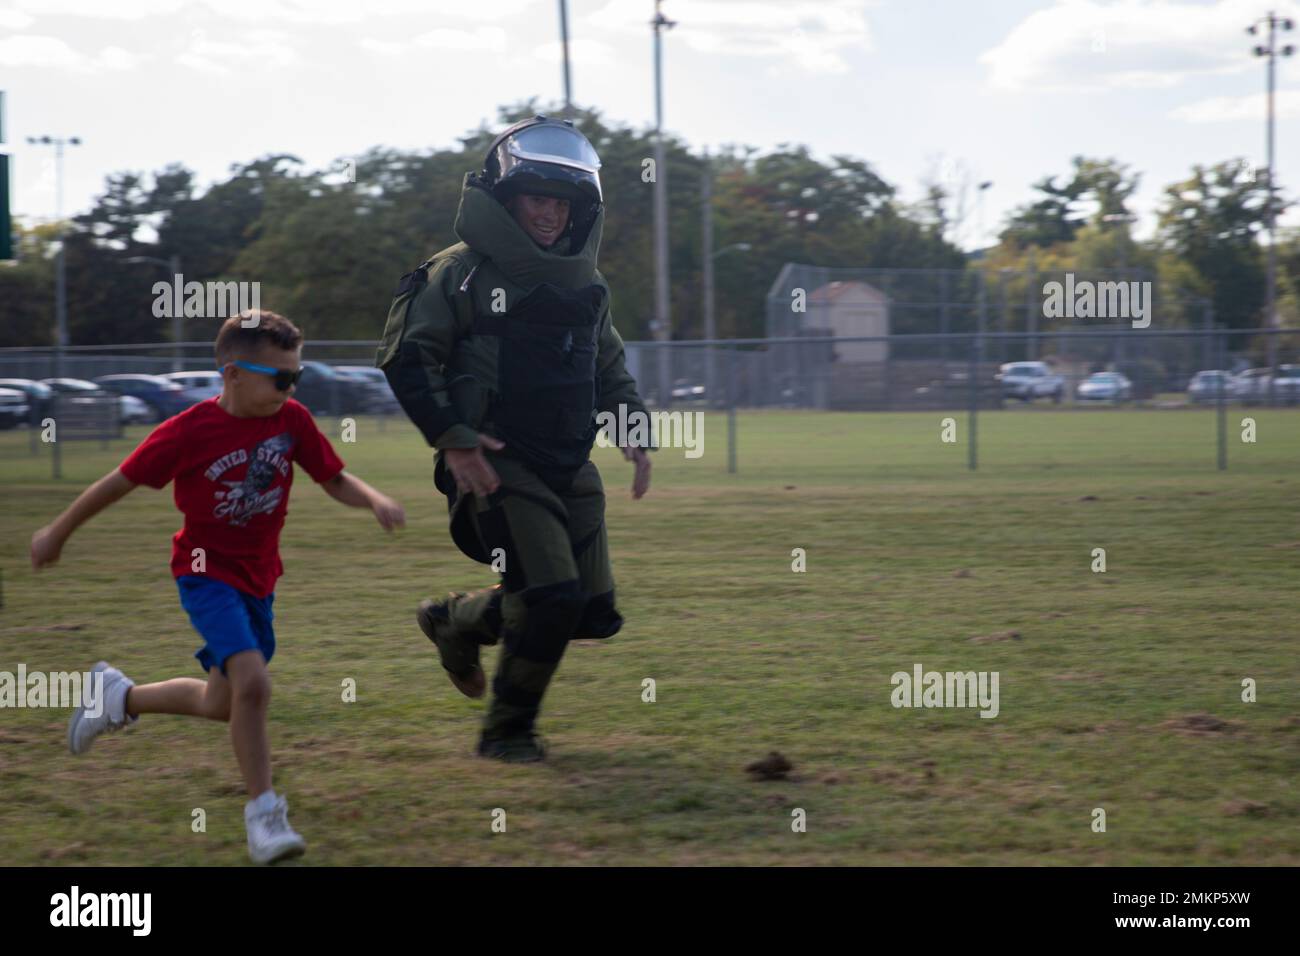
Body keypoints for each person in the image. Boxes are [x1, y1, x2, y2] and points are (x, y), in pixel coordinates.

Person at [30, 310, 406, 864]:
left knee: (221, 703)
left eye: (294, 376)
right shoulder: (188, 431)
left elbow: (333, 479)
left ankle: (117, 696)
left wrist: (374, 499)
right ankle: (265, 816)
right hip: (205, 573)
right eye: (279, 376)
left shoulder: (292, 420)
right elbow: (118, 483)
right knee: (253, 685)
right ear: (233, 373)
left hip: (259, 579)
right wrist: (57, 532)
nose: (290, 387)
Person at [377, 115, 652, 762]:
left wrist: (632, 430)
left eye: (562, 202)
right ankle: (508, 733)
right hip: (494, 463)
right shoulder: (458, 273)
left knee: (590, 611)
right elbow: (407, 358)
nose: (551, 214)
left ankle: (453, 620)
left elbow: (607, 364)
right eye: (537, 198)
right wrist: (455, 439)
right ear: (505, 197)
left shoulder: (587, 283)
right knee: (550, 595)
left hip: (568, 461)